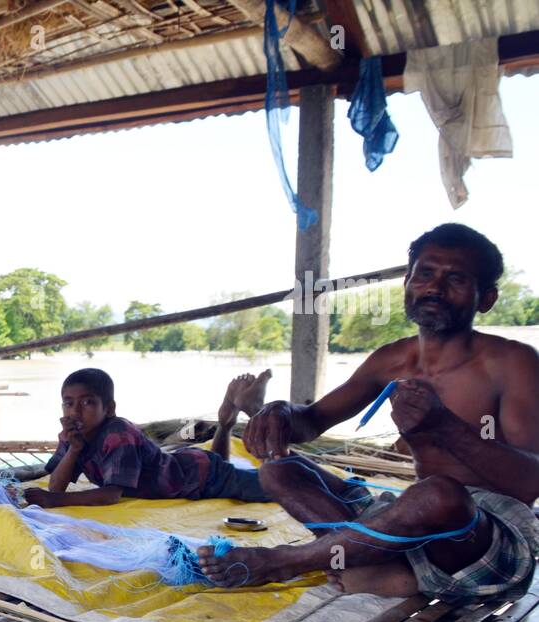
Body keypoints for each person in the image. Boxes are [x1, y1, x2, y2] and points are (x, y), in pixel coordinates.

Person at [198, 223, 539, 599]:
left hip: (489, 537)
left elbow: (528, 483)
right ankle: (385, 569)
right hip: (415, 520)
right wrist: (279, 411)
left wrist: (445, 427)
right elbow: (311, 422)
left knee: (440, 494)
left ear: (486, 298)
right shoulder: (393, 359)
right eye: (425, 274)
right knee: (280, 471)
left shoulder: (512, 362)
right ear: (408, 282)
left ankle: (283, 561)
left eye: (455, 279)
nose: (435, 288)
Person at [23, 366, 273, 508]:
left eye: (88, 402)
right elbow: (55, 485)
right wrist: (74, 450)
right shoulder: (71, 436)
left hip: (202, 476)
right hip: (187, 463)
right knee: (219, 463)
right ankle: (226, 420)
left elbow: (111, 495)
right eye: (68, 403)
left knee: (280, 484)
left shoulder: (118, 434)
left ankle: (252, 408)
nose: (75, 411)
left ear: (108, 408)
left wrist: (57, 501)